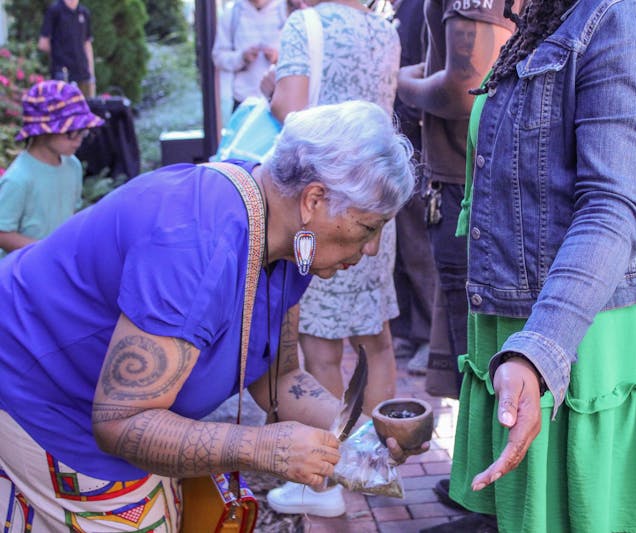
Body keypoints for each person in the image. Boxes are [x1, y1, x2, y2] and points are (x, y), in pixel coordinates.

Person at [0, 100, 420, 532]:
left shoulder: (288, 236)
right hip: (34, 385)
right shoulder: (196, 248)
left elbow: (280, 378)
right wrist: (262, 448)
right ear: (314, 199)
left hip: (114, 407)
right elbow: (121, 424)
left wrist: (361, 438)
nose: (371, 248)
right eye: (368, 228)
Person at [440, 0, 636, 531]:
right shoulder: (567, 11)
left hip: (594, 333)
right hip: (552, 322)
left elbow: (613, 207)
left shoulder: (632, 12)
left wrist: (539, 349)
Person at [266, 0, 403, 516]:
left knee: (320, 350)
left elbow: (292, 111)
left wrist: (269, 88)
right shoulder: (385, 31)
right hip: (375, 207)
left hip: (325, 210)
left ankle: (323, 482)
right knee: (377, 341)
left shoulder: (305, 24)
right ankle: (378, 464)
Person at [395, 0, 516, 520]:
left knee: (485, 351)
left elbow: (466, 87)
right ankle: (486, 494)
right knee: (480, 350)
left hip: (474, 185)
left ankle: (491, 508)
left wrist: (401, 84)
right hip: (473, 182)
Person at [387, 0, 438, 375]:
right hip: (394, 135)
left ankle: (428, 336)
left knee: (420, 245)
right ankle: (406, 329)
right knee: (400, 244)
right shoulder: (392, 7)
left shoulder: (422, 6)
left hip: (419, 138)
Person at [0, 80, 103, 259]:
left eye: (83, 131)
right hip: (21, 269)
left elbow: (70, 214)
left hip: (57, 263)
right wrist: (46, 250)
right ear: (42, 131)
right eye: (71, 132)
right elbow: (2, 234)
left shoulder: (73, 166)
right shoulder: (18, 179)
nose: (79, 139)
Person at [212, 0, 288, 111]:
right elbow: (218, 56)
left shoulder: (286, 9)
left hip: (280, 101)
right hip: (244, 102)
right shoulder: (233, 12)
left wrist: (278, 58)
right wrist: (241, 58)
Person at [38, 0, 96, 98]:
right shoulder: (55, 11)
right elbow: (43, 44)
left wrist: (92, 75)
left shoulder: (84, 13)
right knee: (63, 106)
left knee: (85, 106)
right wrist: (59, 53)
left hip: (83, 74)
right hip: (62, 74)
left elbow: (87, 44)